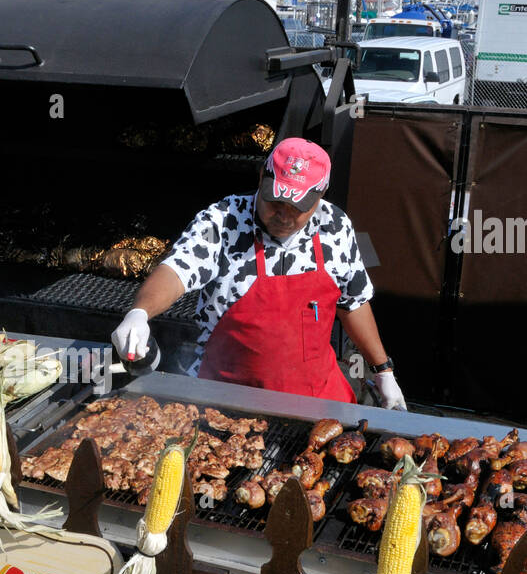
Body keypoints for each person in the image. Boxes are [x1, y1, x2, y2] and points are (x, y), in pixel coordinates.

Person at [111, 137, 406, 409]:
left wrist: (383, 371)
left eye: (297, 207)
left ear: (320, 196)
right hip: (226, 400)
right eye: (275, 201)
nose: (284, 215)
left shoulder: (335, 227)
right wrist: (139, 313)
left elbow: (352, 302)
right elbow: (176, 269)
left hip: (316, 401)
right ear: (261, 178)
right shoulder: (224, 220)